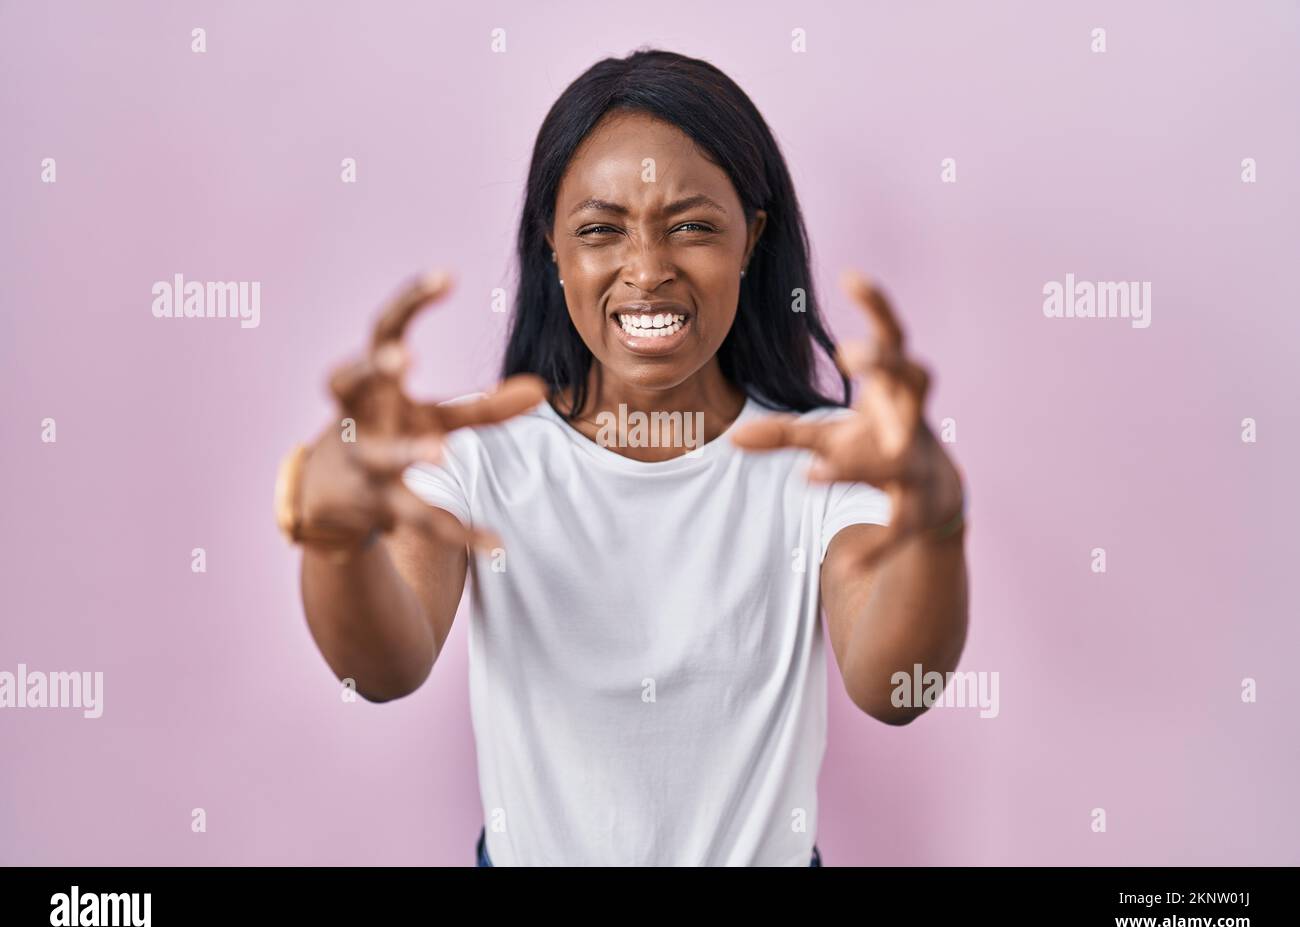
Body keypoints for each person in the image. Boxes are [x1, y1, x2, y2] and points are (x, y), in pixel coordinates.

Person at [274, 49, 969, 867]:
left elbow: (895, 689)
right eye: (601, 230)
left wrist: (935, 526)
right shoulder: (472, 456)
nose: (647, 270)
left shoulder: (819, 462)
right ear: (553, 249)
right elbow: (383, 668)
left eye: (694, 226)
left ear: (753, 239)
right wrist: (332, 539)